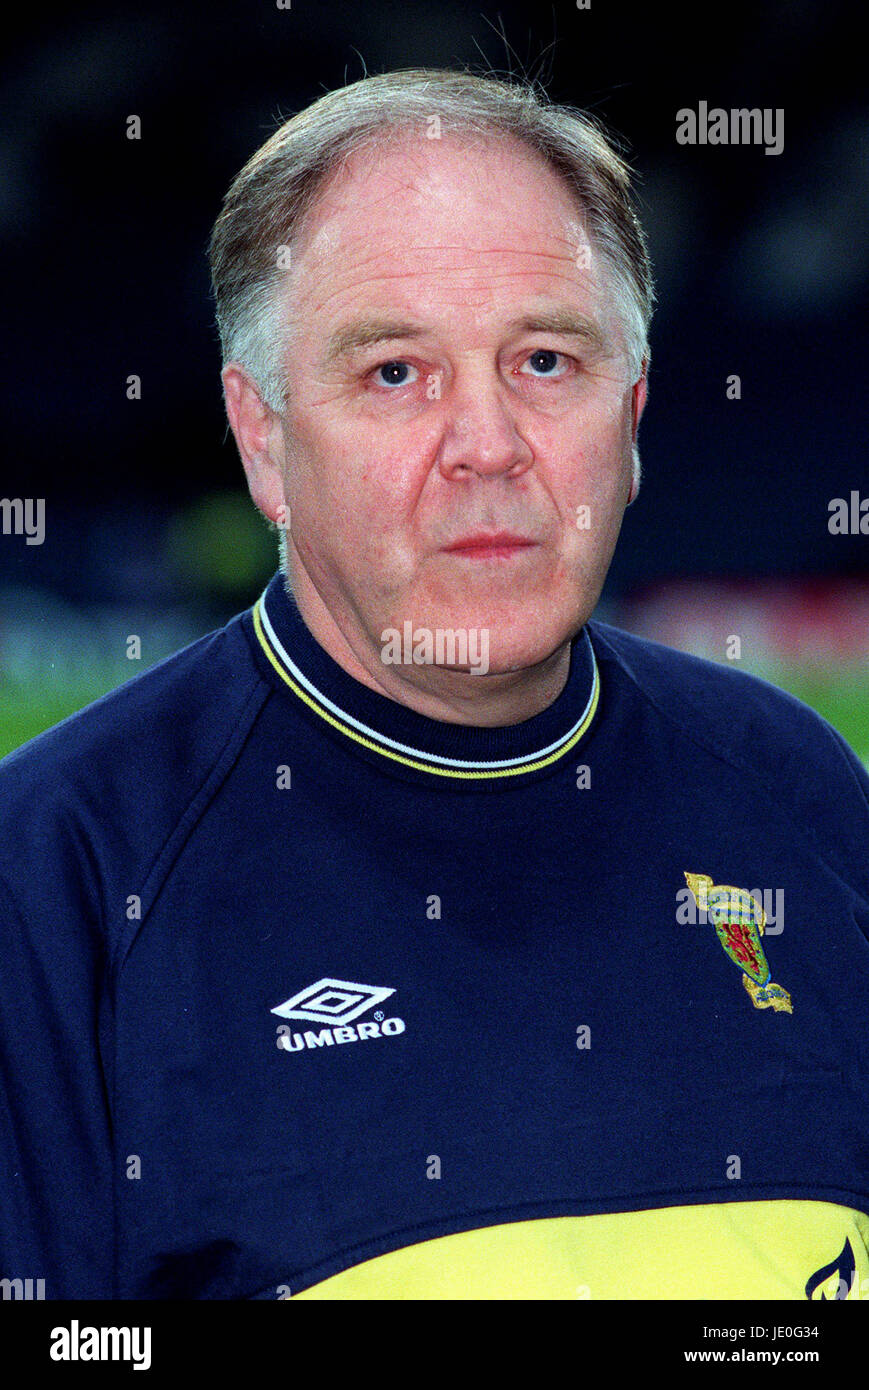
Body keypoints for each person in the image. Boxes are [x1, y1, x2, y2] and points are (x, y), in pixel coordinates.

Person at [1, 68, 868, 1302]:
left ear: (629, 420)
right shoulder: (56, 881)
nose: (487, 444)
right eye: (395, 372)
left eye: (546, 359)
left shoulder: (804, 796)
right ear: (263, 438)